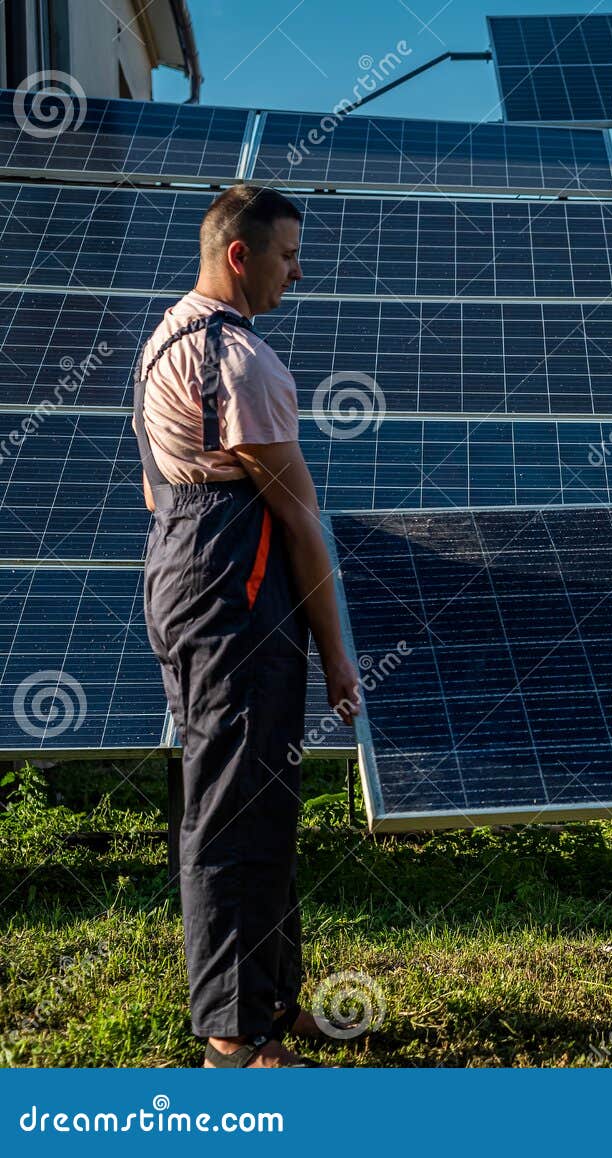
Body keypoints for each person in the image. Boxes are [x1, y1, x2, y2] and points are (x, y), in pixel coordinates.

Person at [133, 184, 362, 1066]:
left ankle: (266, 998)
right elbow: (301, 520)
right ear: (242, 254)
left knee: (258, 795)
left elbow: (160, 489)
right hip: (236, 581)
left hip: (183, 559)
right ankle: (232, 1033)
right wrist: (339, 656)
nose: (296, 274)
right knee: (233, 809)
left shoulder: (163, 339)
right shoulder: (243, 361)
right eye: (288, 256)